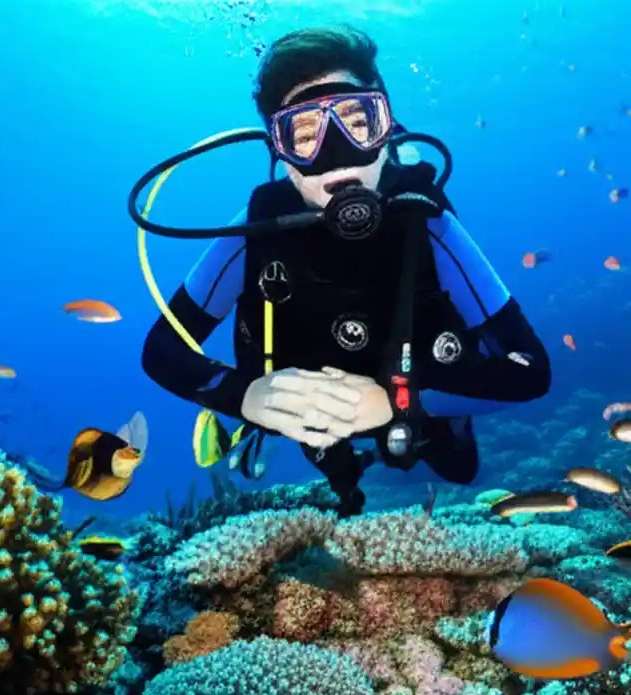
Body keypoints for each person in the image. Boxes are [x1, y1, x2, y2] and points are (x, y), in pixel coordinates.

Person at [139, 25, 551, 516]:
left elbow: (530, 369)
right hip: (321, 414)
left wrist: (401, 404)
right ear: (281, 153)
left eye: (358, 122)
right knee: (338, 474)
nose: (335, 153)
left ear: (388, 130)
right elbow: (161, 349)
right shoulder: (258, 231)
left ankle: (438, 428)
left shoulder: (426, 220)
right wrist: (244, 396)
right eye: (305, 134)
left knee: (457, 467)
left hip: (419, 392)